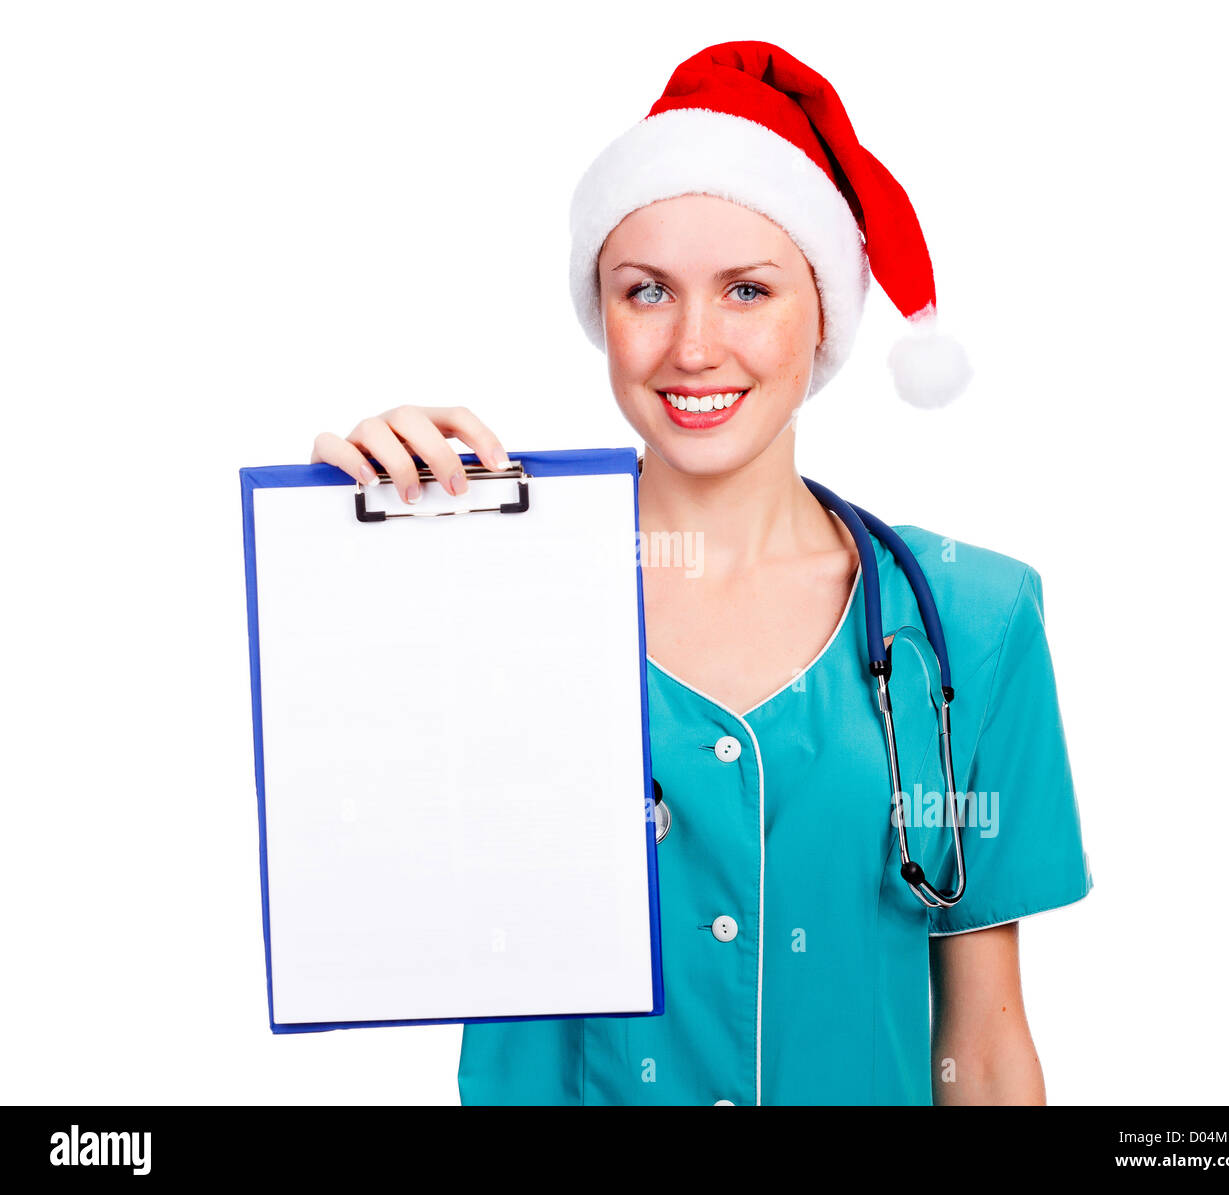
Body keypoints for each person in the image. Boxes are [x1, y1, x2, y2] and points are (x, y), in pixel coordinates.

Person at [310, 40, 1092, 1106]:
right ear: (602, 314)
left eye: (746, 289)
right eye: (647, 292)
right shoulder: (487, 597)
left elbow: (988, 1054)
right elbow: (357, 840)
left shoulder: (969, 616)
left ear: (823, 310)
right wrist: (356, 544)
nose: (692, 346)